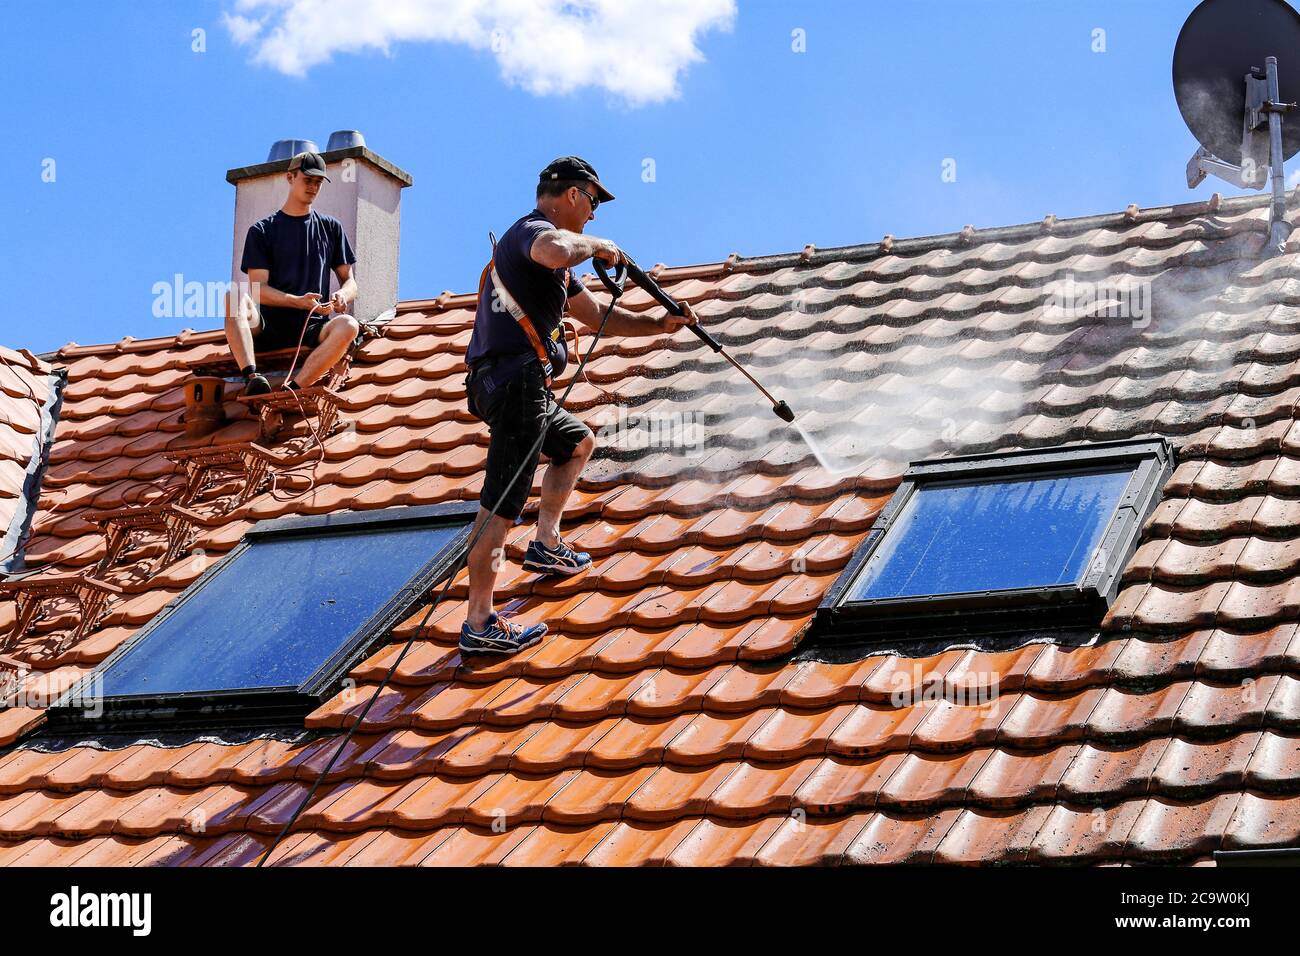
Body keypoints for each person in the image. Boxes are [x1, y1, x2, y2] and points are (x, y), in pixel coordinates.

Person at [460, 156, 699, 656]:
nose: (593, 216)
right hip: (516, 382)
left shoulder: (547, 262)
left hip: (517, 386)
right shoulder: (533, 233)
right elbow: (556, 248)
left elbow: (597, 318)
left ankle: (546, 544)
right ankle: (479, 622)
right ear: (572, 194)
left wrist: (660, 326)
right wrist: (598, 247)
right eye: (592, 203)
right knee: (498, 510)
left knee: (575, 441)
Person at [225, 151, 360, 396]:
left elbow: (350, 282)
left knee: (349, 326)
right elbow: (258, 290)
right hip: (268, 325)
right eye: (308, 180)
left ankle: (295, 389)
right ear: (290, 177)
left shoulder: (331, 228)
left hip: (312, 327)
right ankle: (252, 377)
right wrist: (297, 302)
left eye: (318, 182)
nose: (313, 187)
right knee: (232, 296)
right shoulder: (262, 231)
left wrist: (343, 294)